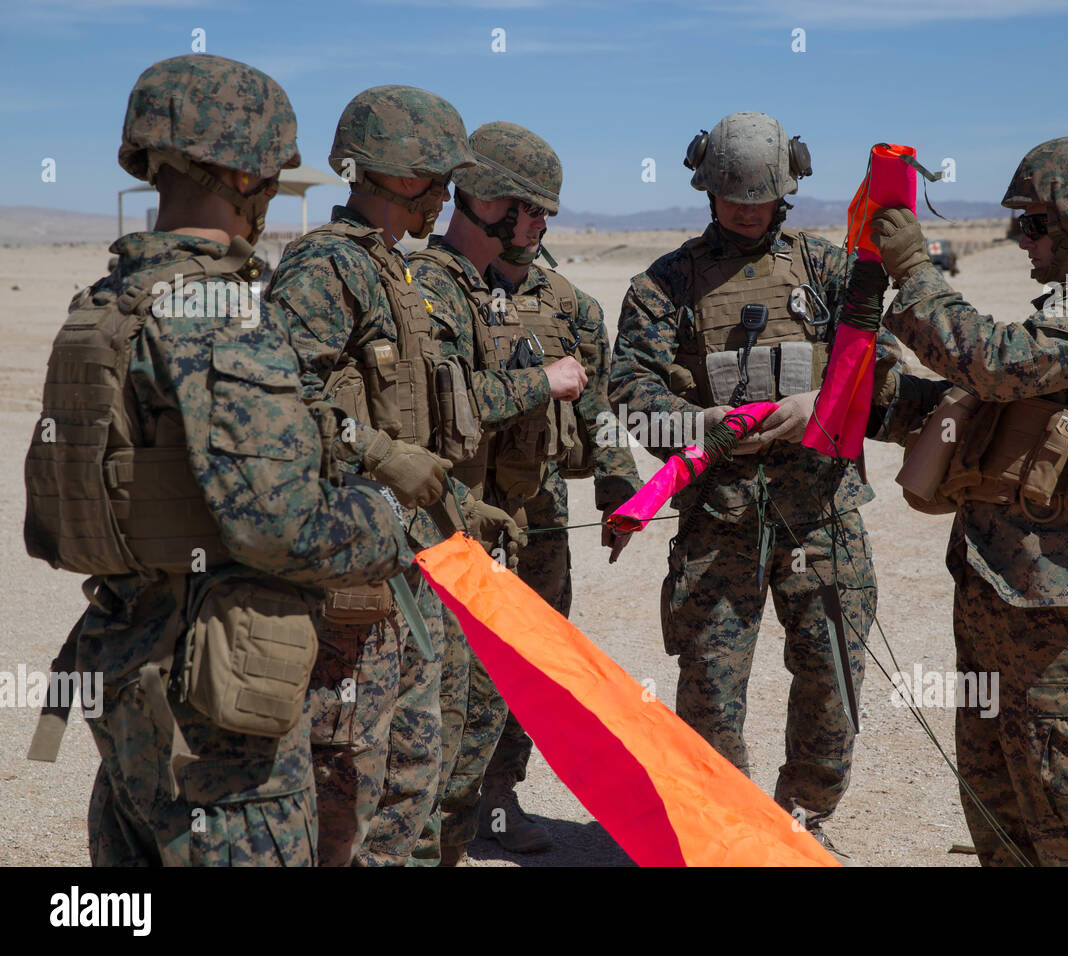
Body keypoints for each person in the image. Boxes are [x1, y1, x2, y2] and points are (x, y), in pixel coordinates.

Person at [23, 54, 415, 866]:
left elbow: (57, 520)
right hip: (215, 706)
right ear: (243, 170)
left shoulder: (100, 309)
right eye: (272, 173)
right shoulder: (217, 313)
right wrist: (384, 521)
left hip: (122, 661)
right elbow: (282, 526)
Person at [867, 135, 1068, 866]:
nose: (1021, 240)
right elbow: (981, 408)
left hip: (1062, 620)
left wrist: (914, 272)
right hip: (997, 598)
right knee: (1000, 809)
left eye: (1034, 224)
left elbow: (998, 363)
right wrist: (870, 393)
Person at [609, 111, 903, 860]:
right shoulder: (664, 285)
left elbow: (883, 363)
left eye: (762, 197)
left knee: (831, 676)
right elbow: (631, 389)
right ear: (707, 190)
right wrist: (698, 427)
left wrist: (820, 404)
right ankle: (724, 831)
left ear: (789, 191)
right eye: (733, 195)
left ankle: (802, 819)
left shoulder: (830, 270)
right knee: (710, 689)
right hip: (719, 520)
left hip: (821, 516)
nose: (746, 209)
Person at [264, 86, 521, 866]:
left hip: (412, 560)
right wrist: (379, 457)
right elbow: (282, 401)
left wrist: (460, 500)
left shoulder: (393, 272)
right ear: (392, 175)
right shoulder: (324, 269)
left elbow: (405, 418)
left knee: (411, 776)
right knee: (348, 777)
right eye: (436, 179)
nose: (446, 197)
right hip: (355, 573)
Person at [409, 121, 639, 863]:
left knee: (526, 676)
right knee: (447, 684)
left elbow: (597, 402)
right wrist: (540, 381)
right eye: (530, 210)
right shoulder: (425, 291)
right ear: (486, 202)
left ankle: (495, 802)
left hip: (537, 524)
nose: (540, 226)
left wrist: (617, 483)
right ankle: (433, 819)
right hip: (454, 526)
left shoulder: (565, 303)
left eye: (545, 214)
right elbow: (436, 404)